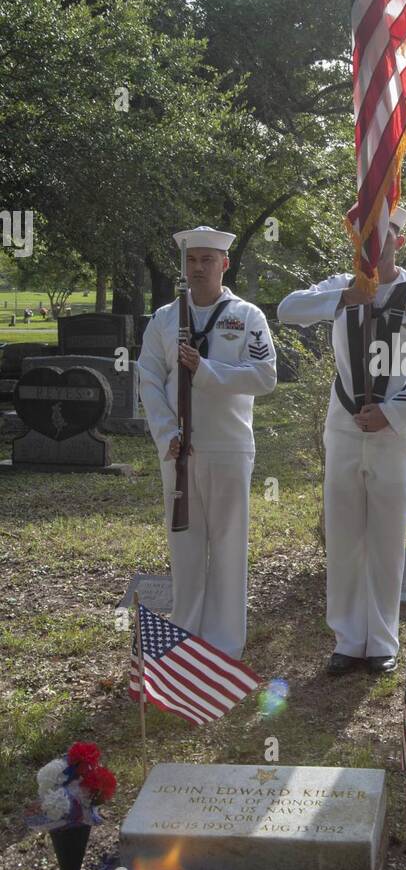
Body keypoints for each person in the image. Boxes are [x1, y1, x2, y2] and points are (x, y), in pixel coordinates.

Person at [278, 207, 406, 676]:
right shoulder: (339, 284)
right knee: (346, 532)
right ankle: (349, 639)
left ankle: (382, 640)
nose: (374, 245)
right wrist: (345, 298)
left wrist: (393, 412)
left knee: (387, 536)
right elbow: (287, 309)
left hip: (393, 430)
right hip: (345, 423)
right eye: (365, 237)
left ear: (401, 239)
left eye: (384, 236)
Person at [138, 226, 276, 658]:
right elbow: (148, 379)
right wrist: (166, 434)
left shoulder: (247, 316)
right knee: (185, 546)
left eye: (207, 260)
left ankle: (223, 647)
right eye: (192, 260)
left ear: (225, 264)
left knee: (229, 546)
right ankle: (185, 638)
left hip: (229, 445)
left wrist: (207, 369)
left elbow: (265, 376)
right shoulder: (164, 318)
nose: (198, 268)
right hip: (180, 450)